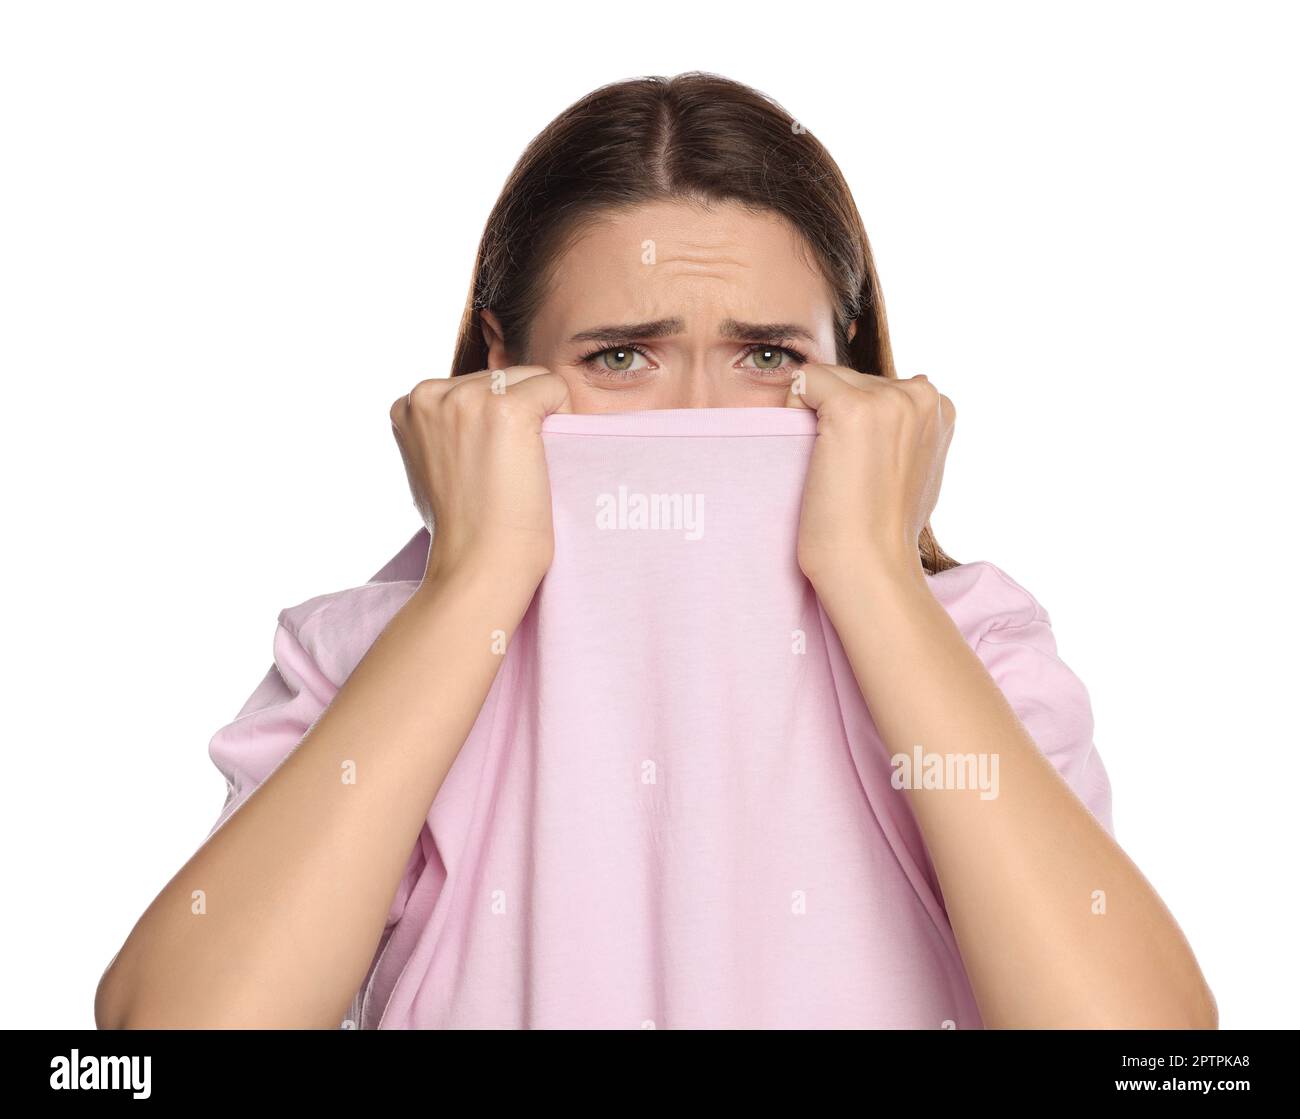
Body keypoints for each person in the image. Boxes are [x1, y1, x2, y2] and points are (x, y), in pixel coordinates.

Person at [94, 71, 1217, 1030]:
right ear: (502, 369)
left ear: (852, 373)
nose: (699, 417)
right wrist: (473, 587)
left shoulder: (974, 644)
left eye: (767, 356)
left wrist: (874, 579)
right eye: (622, 357)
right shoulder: (370, 654)